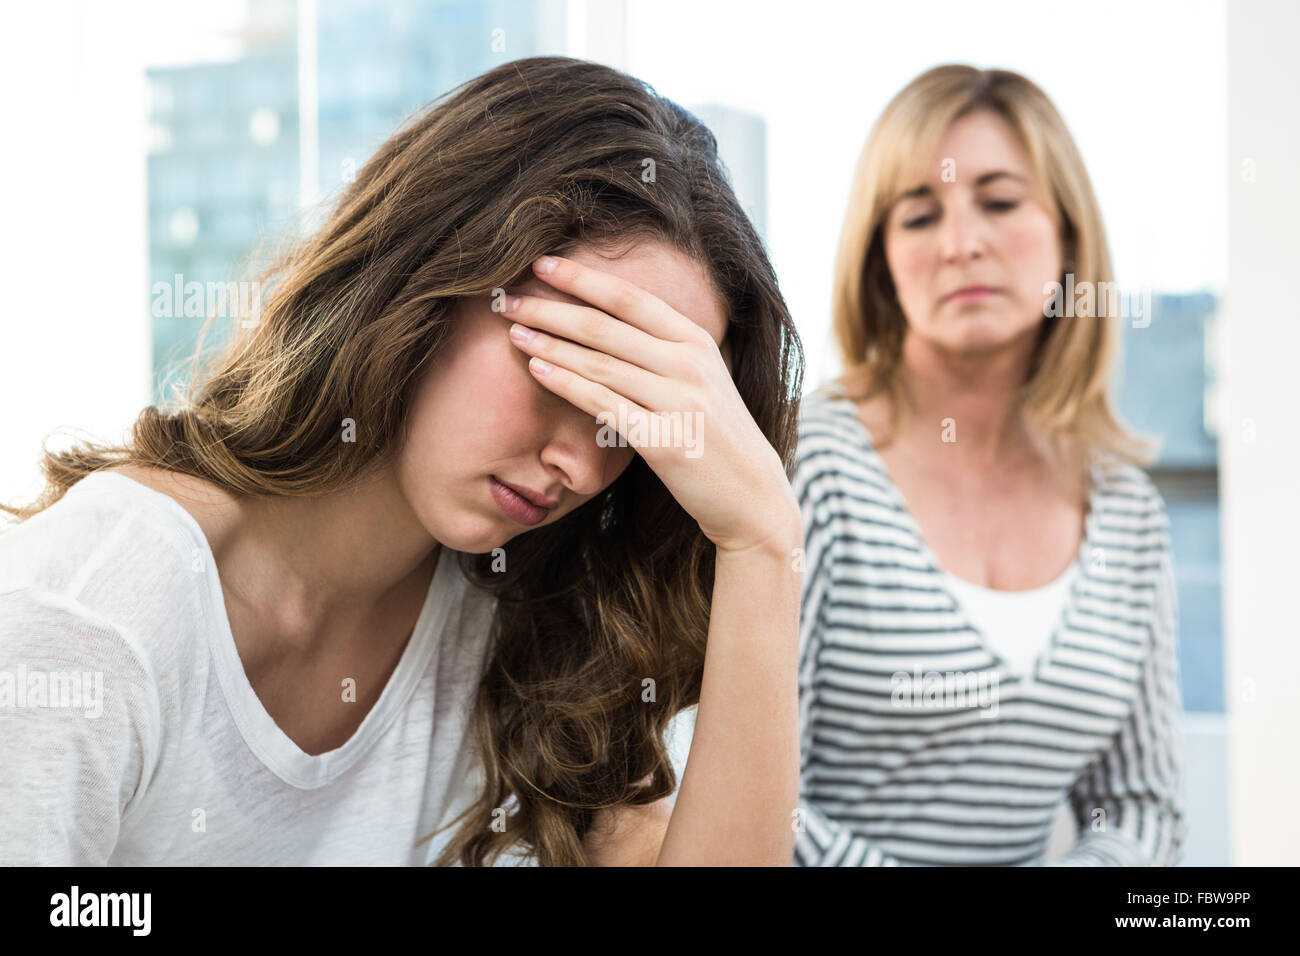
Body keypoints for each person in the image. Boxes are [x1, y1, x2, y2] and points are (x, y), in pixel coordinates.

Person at [0, 56, 805, 866]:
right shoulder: (91, 622)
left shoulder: (523, 615)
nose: (584, 468)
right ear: (427, 280)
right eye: (567, 363)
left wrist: (764, 543)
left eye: (631, 426)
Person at [793, 64, 1185, 866]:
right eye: (918, 216)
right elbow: (734, 790)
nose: (961, 243)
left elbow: (1141, 805)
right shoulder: (807, 465)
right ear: (880, 260)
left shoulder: (1126, 510)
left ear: (1071, 235)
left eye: (1000, 202)